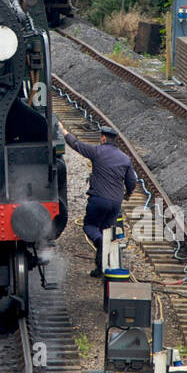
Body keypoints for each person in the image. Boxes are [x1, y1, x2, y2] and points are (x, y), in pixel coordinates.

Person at [55, 118, 137, 276]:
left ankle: (101, 243)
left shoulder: (97, 152)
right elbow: (131, 181)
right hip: (115, 203)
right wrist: (128, 194)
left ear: (104, 138)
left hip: (99, 199)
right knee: (107, 231)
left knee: (90, 227)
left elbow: (77, 145)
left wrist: (63, 131)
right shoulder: (125, 158)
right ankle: (101, 269)